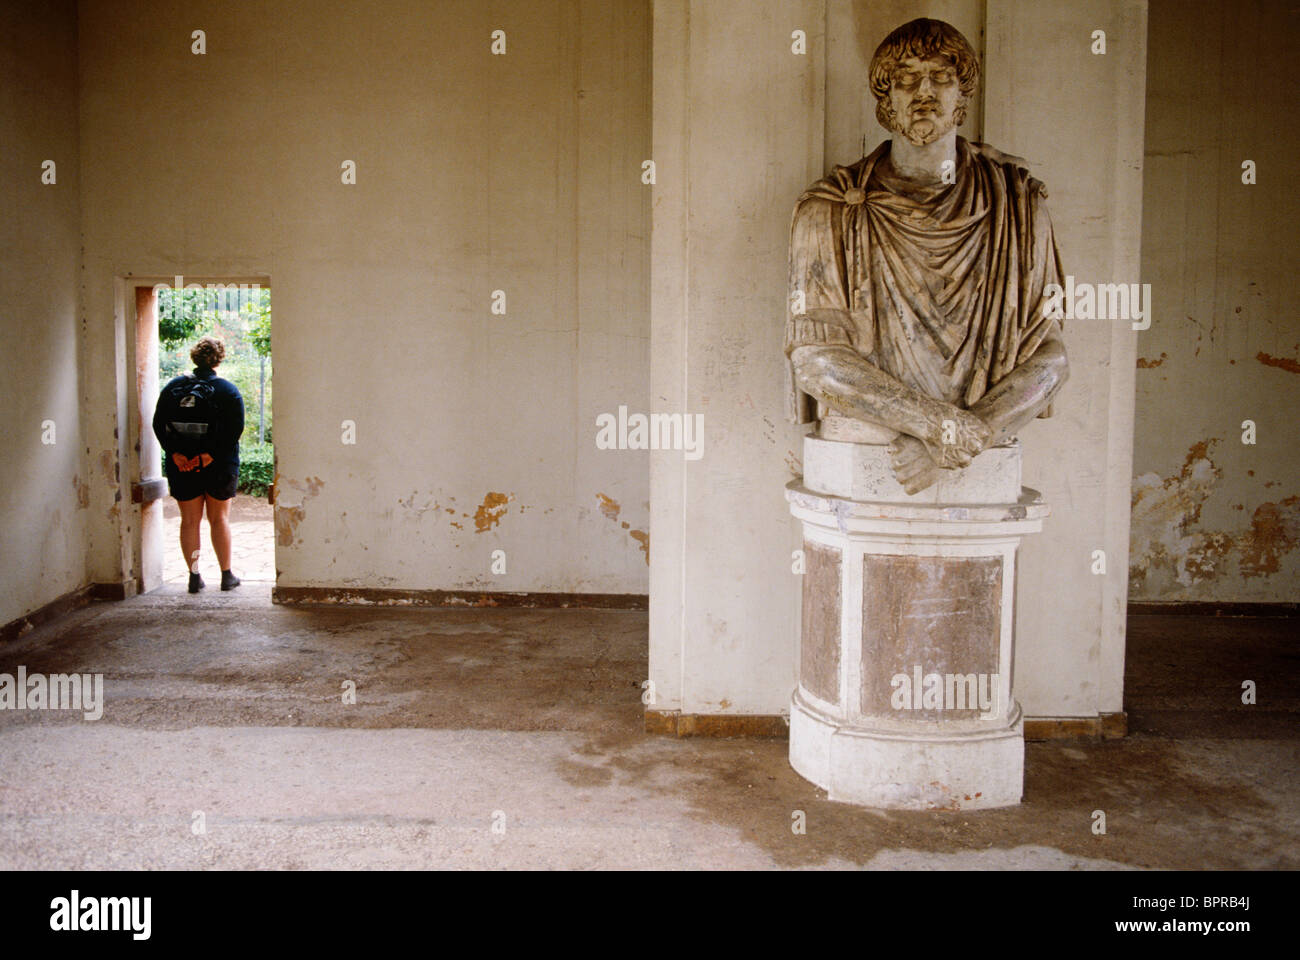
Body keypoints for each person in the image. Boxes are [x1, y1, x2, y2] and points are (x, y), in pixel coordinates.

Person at [786, 17, 1069, 494]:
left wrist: (962, 435)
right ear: (886, 100)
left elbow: (1051, 358)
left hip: (977, 463)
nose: (924, 91)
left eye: (941, 77)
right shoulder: (829, 210)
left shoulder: (1018, 207)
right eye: (906, 79)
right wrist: (940, 427)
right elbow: (815, 359)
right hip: (867, 454)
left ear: (963, 96)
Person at [153, 335, 245, 593]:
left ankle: (194, 578)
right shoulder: (228, 390)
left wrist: (175, 454)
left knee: (189, 521)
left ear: (194, 357)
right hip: (219, 465)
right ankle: (227, 576)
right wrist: (209, 456)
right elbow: (235, 429)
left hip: (182, 466)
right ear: (218, 359)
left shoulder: (172, 388)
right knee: (219, 519)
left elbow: (158, 424)